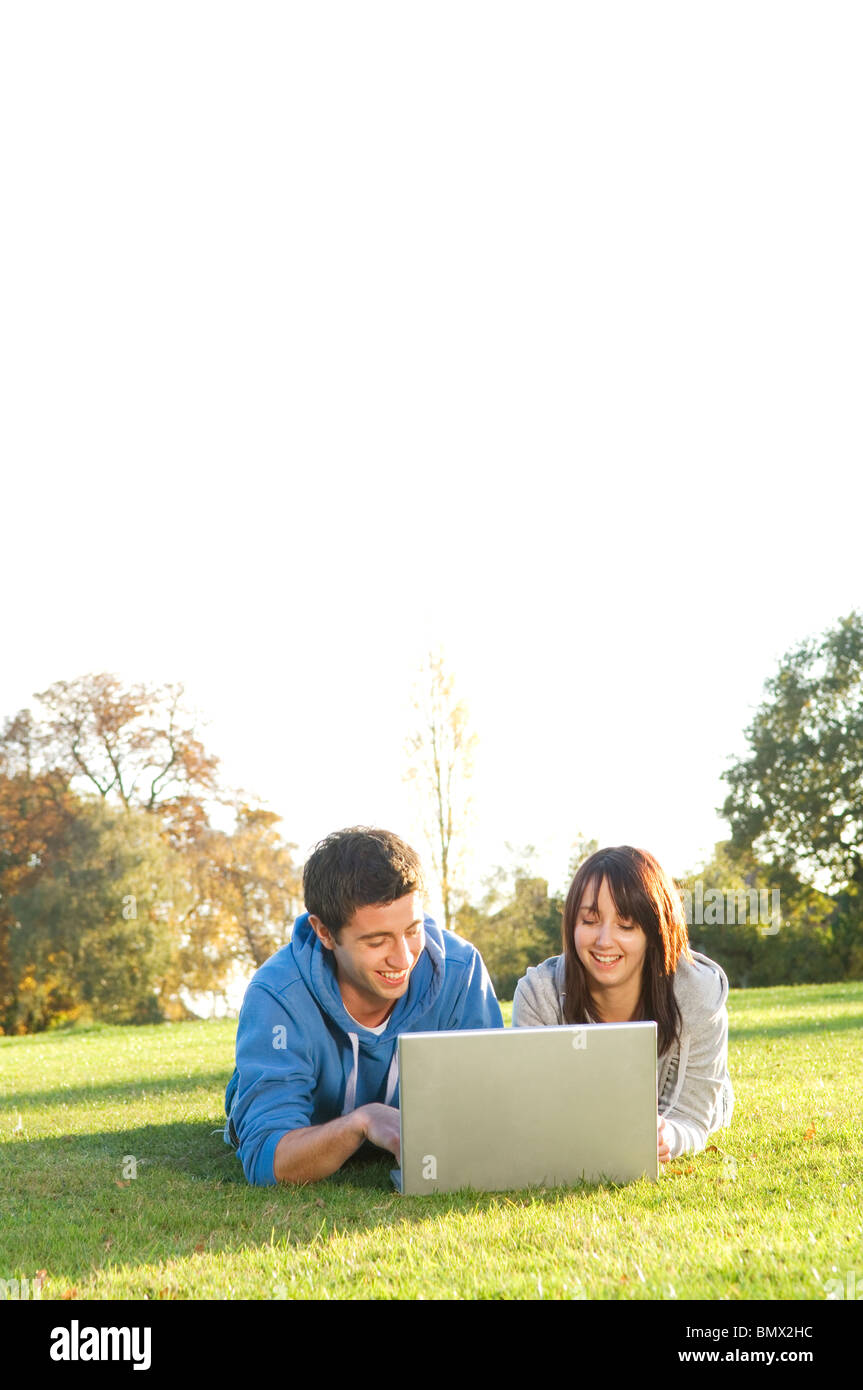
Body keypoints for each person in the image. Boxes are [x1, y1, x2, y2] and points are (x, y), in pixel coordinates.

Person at [224, 825, 503, 1185]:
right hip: (305, 1121)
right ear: (324, 932)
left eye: (412, 930)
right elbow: (270, 1159)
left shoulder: (461, 970)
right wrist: (363, 1121)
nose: (403, 958)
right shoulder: (277, 994)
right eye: (377, 941)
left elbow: (494, 1107)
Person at [512, 845, 733, 1165]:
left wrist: (666, 1136)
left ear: (655, 933)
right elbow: (531, 1114)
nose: (604, 940)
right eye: (589, 920)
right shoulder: (538, 994)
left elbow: (694, 1118)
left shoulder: (699, 993)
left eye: (626, 926)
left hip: (691, 1106)